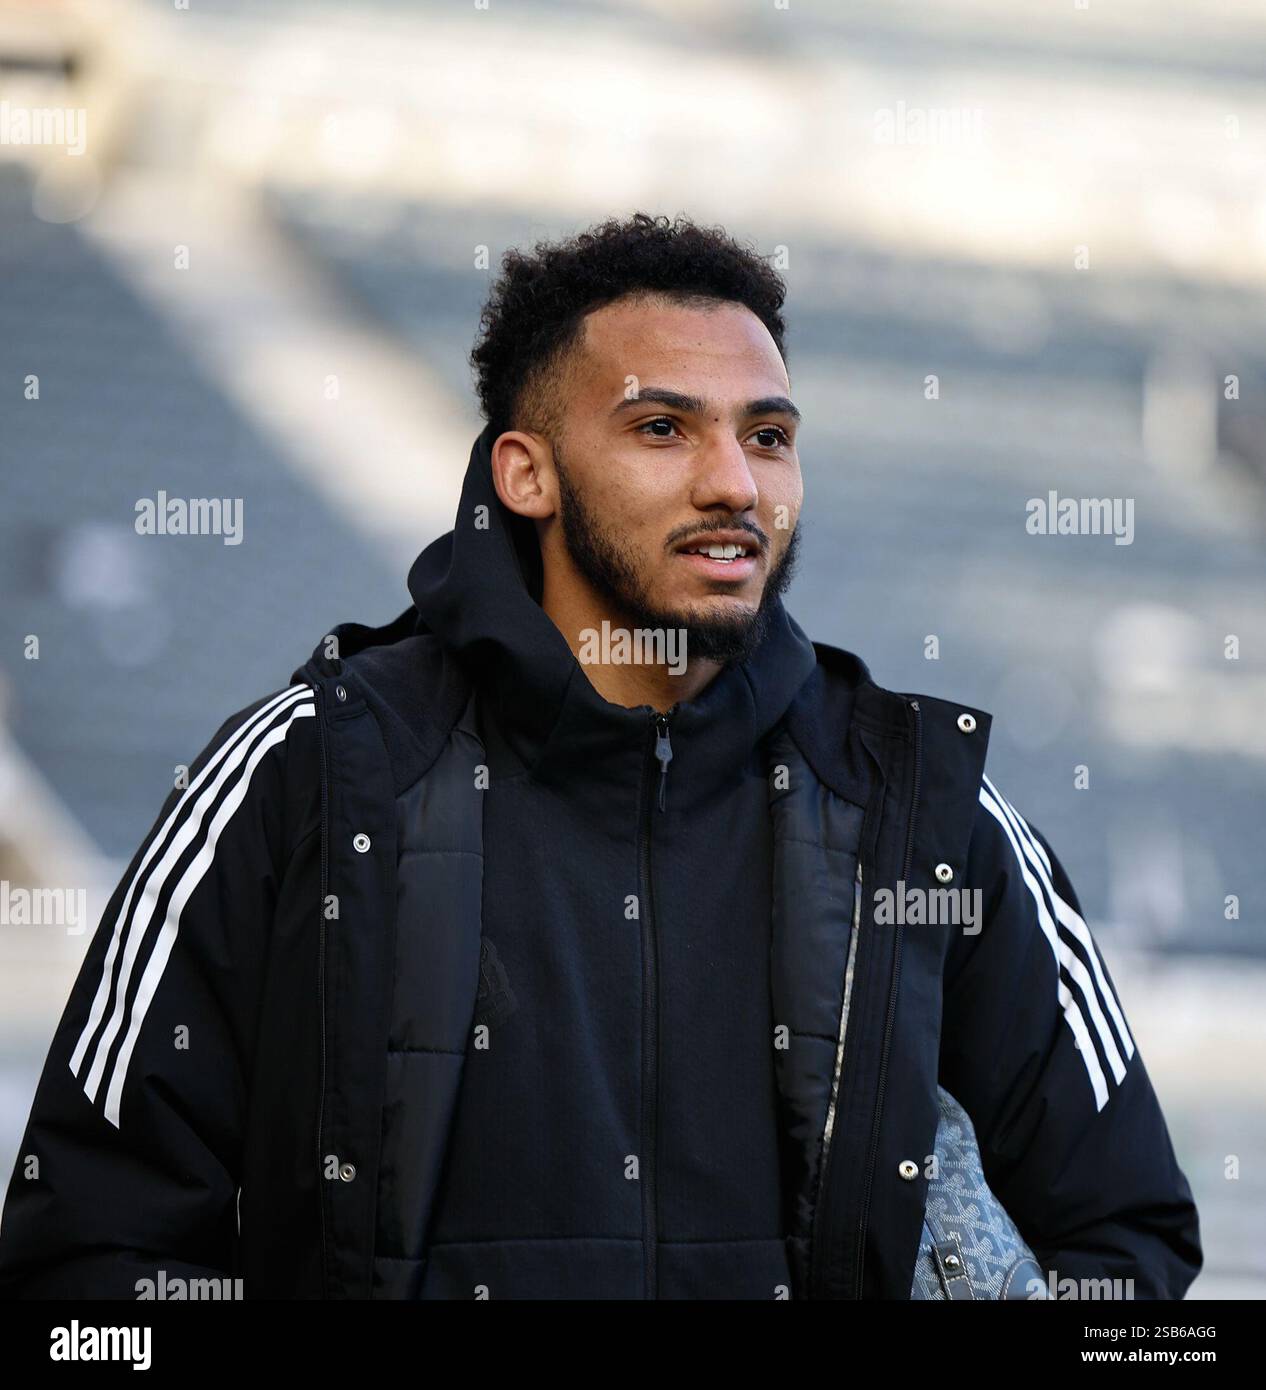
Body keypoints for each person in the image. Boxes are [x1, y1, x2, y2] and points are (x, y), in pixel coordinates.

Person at [0, 213, 1201, 1300]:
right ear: (526, 472)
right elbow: (90, 1264)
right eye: (662, 427)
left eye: (769, 436)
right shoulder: (309, 773)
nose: (734, 482)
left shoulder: (927, 813)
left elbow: (1128, 1243)